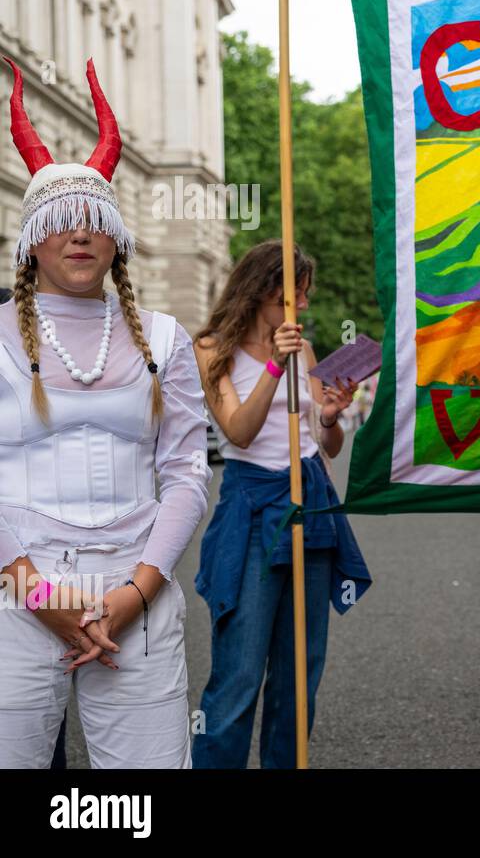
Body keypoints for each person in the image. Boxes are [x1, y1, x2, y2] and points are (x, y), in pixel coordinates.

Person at [0, 56, 211, 768]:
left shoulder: (164, 338)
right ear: (33, 241)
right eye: (62, 221)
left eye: (96, 220)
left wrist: (137, 590)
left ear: (117, 236)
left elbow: (185, 472)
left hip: (136, 596)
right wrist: (36, 594)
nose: (80, 234)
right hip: (16, 596)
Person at [190, 240, 370, 768]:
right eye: (299, 295)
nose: (306, 307)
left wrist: (332, 415)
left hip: (310, 504)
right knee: (240, 671)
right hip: (251, 511)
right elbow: (239, 433)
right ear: (267, 291)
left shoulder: (307, 352)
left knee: (299, 673)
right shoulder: (210, 347)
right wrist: (273, 366)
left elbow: (324, 445)